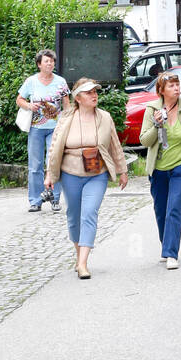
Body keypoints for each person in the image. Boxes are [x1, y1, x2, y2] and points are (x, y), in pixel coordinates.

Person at [45, 79, 128, 279]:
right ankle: (78, 254)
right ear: (78, 98)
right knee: (74, 216)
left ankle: (83, 263)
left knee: (89, 213)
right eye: (89, 92)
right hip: (70, 172)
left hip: (97, 173)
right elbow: (54, 146)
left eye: (95, 92)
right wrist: (50, 174)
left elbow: (115, 145)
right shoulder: (66, 118)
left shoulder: (105, 117)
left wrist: (122, 170)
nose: (94, 95)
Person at [140, 72, 181, 269]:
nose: (176, 88)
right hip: (158, 168)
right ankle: (166, 245)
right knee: (161, 210)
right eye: (171, 86)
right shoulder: (152, 109)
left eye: (177, 85)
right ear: (161, 90)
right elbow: (145, 140)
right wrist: (156, 124)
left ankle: (171, 253)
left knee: (174, 207)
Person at [17, 49, 70, 213]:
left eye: (52, 61)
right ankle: (35, 200)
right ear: (39, 64)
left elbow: (67, 105)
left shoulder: (61, 82)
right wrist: (29, 105)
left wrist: (67, 123)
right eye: (46, 61)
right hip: (36, 128)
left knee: (54, 163)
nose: (50, 63)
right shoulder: (31, 81)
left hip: (55, 129)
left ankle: (55, 199)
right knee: (35, 166)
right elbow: (19, 99)